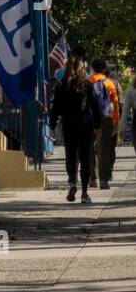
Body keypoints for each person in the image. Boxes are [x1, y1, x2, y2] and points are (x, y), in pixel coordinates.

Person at [49, 56, 102, 203]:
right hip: (85, 124)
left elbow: (55, 108)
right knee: (85, 157)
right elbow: (95, 106)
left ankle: (72, 182)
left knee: (71, 156)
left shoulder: (61, 86)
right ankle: (84, 193)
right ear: (81, 69)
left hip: (68, 125)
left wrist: (52, 125)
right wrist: (97, 126)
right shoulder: (86, 85)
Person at [87, 59, 120, 189]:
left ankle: (93, 178)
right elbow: (116, 104)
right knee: (104, 150)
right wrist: (116, 122)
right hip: (106, 120)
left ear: (93, 69)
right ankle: (104, 180)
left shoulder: (88, 82)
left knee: (89, 149)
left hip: (90, 120)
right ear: (104, 70)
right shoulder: (110, 83)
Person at [119, 77, 136, 151]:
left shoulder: (131, 91)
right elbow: (125, 111)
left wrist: (121, 129)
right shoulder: (131, 91)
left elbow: (125, 111)